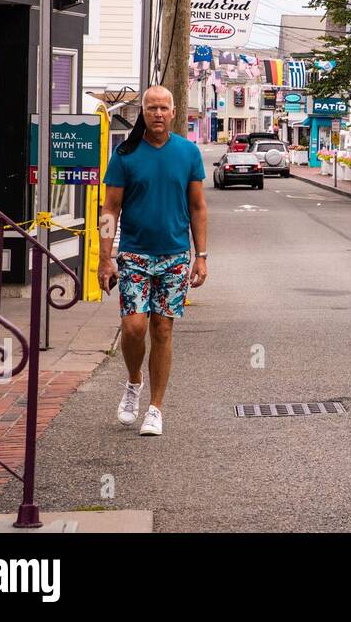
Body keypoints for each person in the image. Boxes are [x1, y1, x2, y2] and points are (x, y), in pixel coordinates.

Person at [98, 86, 208, 437]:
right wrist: (105, 259)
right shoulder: (125, 154)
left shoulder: (188, 153)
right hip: (134, 254)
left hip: (175, 256)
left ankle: (155, 408)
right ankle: (134, 382)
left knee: (163, 328)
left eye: (163, 108)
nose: (157, 114)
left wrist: (200, 257)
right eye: (151, 108)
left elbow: (197, 207)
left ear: (174, 112)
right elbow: (109, 209)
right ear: (142, 112)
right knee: (133, 328)